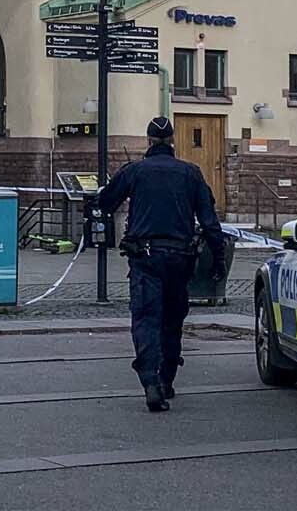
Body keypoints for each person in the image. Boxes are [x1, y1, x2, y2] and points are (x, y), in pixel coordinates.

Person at [94, 116, 227, 413]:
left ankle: (150, 382)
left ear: (149, 140)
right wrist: (218, 260)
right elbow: (209, 222)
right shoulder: (191, 173)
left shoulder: (135, 171)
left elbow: (104, 204)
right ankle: (167, 379)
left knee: (146, 319)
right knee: (172, 320)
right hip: (180, 259)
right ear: (173, 141)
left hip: (145, 258)